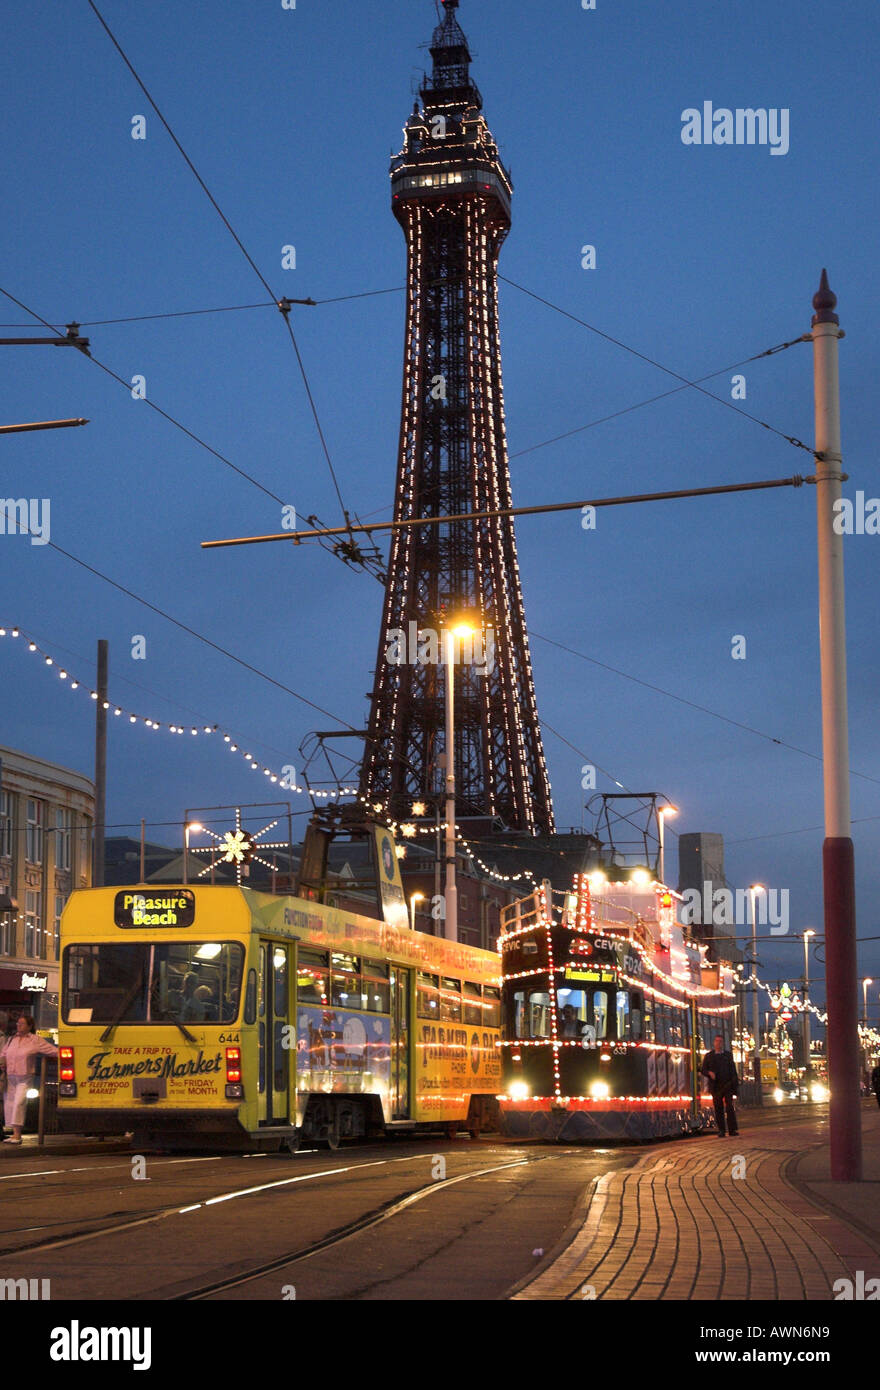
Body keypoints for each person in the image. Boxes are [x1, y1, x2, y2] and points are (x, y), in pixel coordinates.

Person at [0, 1015, 59, 1145]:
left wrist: (67, 1052)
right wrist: (3, 1062)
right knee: (10, 1103)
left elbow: (51, 1050)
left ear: (29, 1026)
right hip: (10, 1077)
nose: (18, 1026)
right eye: (17, 1023)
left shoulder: (35, 1040)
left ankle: (17, 1134)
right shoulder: (11, 1040)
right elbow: (3, 1054)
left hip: (25, 1077)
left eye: (21, 1023)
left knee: (19, 1103)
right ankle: (14, 1132)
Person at [701, 1033, 740, 1137]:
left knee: (730, 1108)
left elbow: (733, 1070)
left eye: (720, 1041)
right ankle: (721, 1130)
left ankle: (732, 1130)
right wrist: (709, 1073)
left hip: (727, 1085)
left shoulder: (727, 1055)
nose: (718, 1043)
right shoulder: (709, 1056)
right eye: (717, 1041)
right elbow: (703, 1069)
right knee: (718, 1109)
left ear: (723, 1043)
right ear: (714, 1043)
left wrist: (734, 1085)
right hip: (716, 1086)